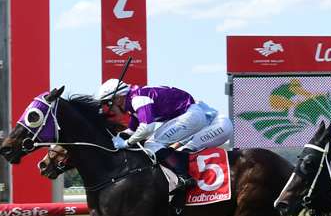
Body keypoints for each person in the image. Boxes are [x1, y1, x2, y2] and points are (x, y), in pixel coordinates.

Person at [96, 79, 234, 194]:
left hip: (194, 116)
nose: (109, 108)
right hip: (192, 115)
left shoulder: (138, 99)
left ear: (118, 98)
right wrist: (117, 138)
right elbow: (132, 130)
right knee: (169, 147)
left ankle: (183, 177)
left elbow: (146, 128)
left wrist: (126, 144)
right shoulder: (134, 101)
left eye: (108, 103)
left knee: (152, 144)